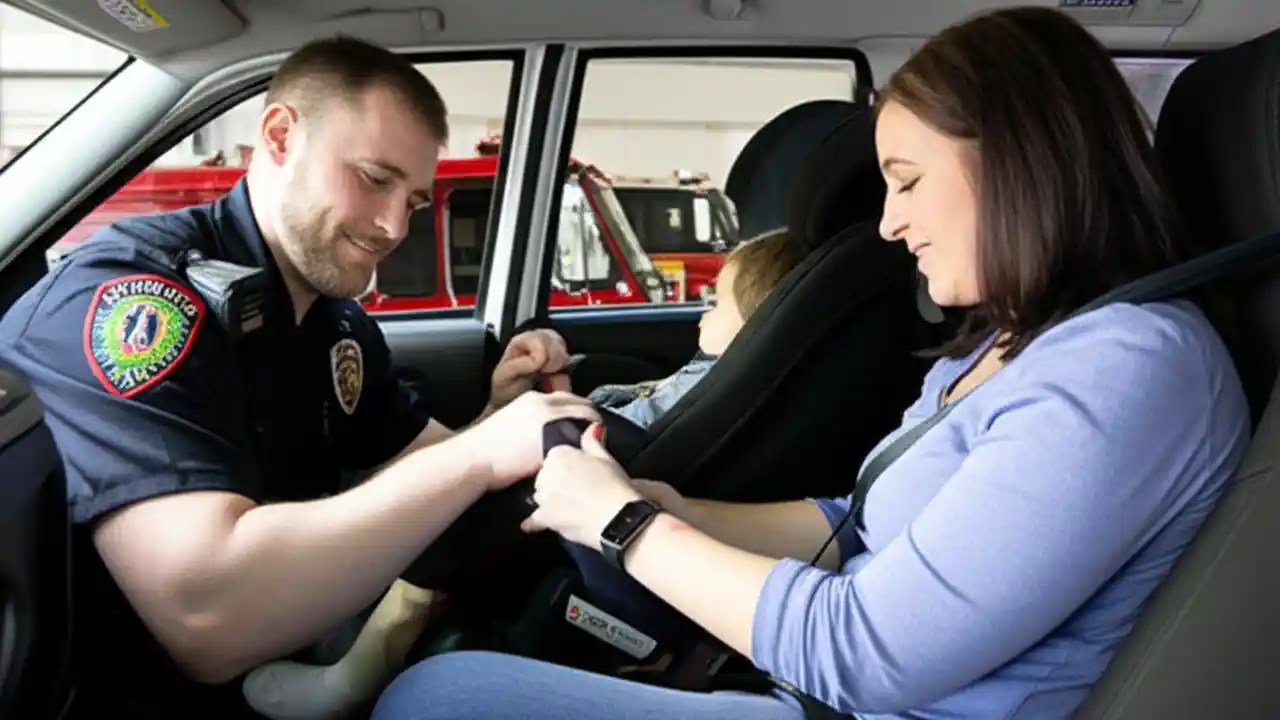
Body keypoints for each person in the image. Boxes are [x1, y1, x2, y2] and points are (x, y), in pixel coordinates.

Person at [371, 7, 1252, 720]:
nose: (890, 222)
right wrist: (669, 506)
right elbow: (853, 521)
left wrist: (626, 529)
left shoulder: (1130, 368)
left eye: (906, 180)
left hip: (855, 695)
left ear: (1020, 162)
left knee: (435, 698)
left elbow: (867, 653)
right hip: (816, 691)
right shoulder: (1008, 344)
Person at [0, 36, 597, 718]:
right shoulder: (140, 304)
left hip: (265, 667)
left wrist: (500, 416)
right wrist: (483, 451)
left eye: (416, 200)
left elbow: (429, 472)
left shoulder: (332, 322)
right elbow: (207, 618)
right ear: (280, 137)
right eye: (374, 179)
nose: (394, 225)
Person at [237, 227, 807, 719]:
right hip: (587, 488)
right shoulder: (716, 378)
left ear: (759, 322)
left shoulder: (718, 385)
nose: (701, 312)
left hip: (590, 511)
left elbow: (638, 433)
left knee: (447, 523)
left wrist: (570, 419)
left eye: (716, 302)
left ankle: (360, 670)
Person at [589, 227, 804, 427]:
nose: (704, 316)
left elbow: (638, 419)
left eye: (717, 304)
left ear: (754, 323)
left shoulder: (713, 386)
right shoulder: (718, 371)